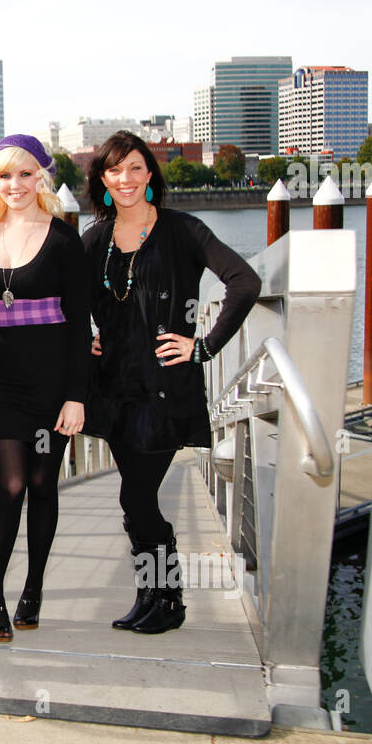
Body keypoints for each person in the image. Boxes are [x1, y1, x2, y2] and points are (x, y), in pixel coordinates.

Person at [82, 131, 259, 634]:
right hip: (115, 391)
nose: (126, 178)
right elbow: (63, 302)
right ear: (102, 179)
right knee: (135, 500)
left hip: (164, 391)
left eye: (136, 167)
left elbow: (245, 282)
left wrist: (203, 346)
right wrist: (83, 342)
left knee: (136, 499)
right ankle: (151, 596)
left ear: (150, 175)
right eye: (115, 170)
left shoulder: (183, 230)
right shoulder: (94, 240)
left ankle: (169, 597)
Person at [0, 135, 89, 642]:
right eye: (4, 176)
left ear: (42, 176)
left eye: (25, 174)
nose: (15, 185)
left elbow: (80, 323)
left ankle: (33, 587)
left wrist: (77, 395)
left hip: (52, 384)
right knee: (10, 486)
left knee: (42, 484)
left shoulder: (63, 239)